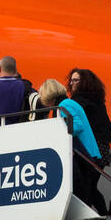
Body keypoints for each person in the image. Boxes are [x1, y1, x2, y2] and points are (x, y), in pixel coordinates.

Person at [38, 77, 102, 212]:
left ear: (49, 96)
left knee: (85, 192)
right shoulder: (68, 103)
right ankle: (104, 213)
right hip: (90, 153)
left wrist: (61, 137)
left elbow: (77, 126)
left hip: (84, 155)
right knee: (90, 193)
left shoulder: (64, 105)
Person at [67, 68, 111, 162]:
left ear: (84, 82)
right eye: (71, 80)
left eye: (75, 80)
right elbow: (107, 124)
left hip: (87, 148)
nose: (71, 83)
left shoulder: (77, 102)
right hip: (103, 148)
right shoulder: (99, 101)